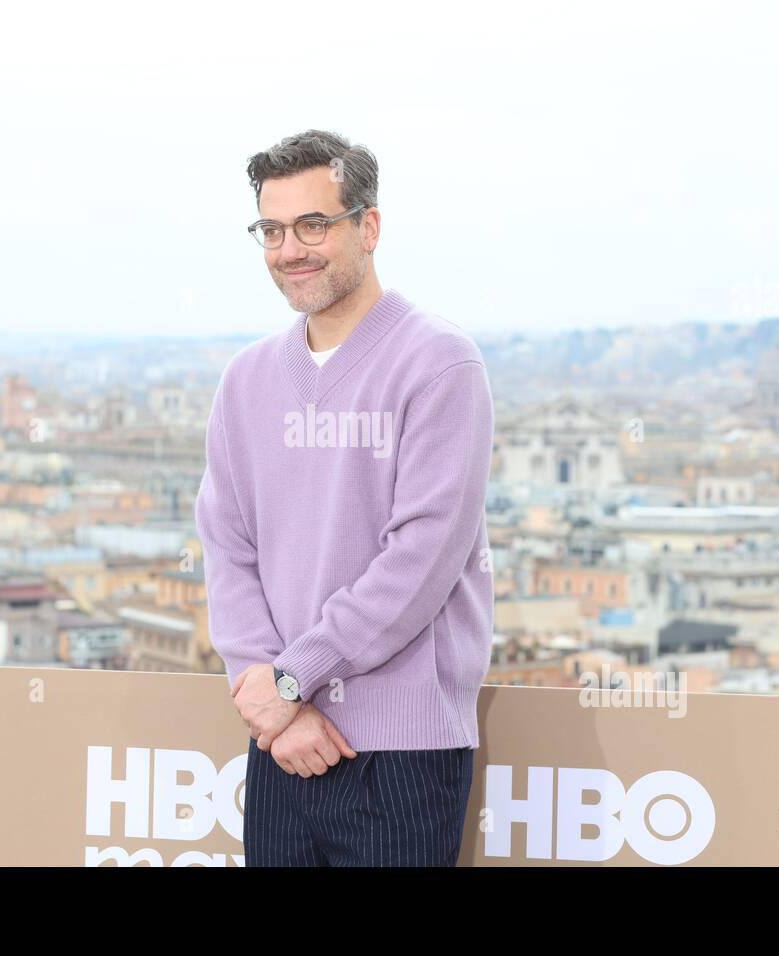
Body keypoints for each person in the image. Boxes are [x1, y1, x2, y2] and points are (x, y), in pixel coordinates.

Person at [193, 129, 494, 866]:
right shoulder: (247, 378)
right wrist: (269, 701)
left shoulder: (439, 362)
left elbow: (420, 559)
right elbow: (228, 549)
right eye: (272, 229)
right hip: (279, 745)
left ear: (369, 225)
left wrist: (294, 678)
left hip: (401, 751)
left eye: (314, 225)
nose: (290, 248)